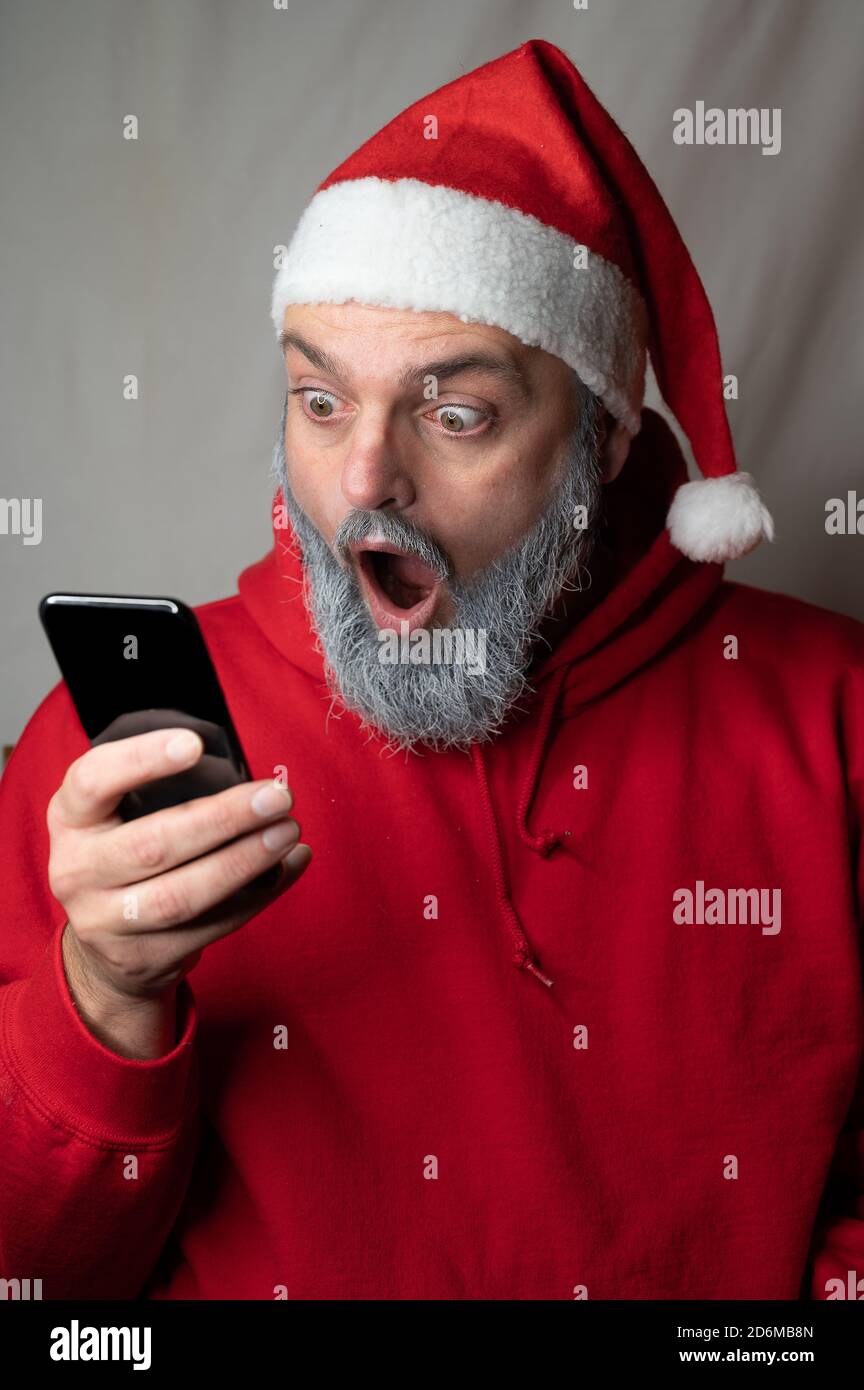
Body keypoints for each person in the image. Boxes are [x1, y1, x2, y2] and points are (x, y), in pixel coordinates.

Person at [1, 38, 862, 1302]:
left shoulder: (833, 717)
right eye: (322, 400)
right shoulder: (115, 756)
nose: (365, 483)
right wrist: (103, 998)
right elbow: (41, 1293)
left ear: (606, 440)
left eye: (454, 415)